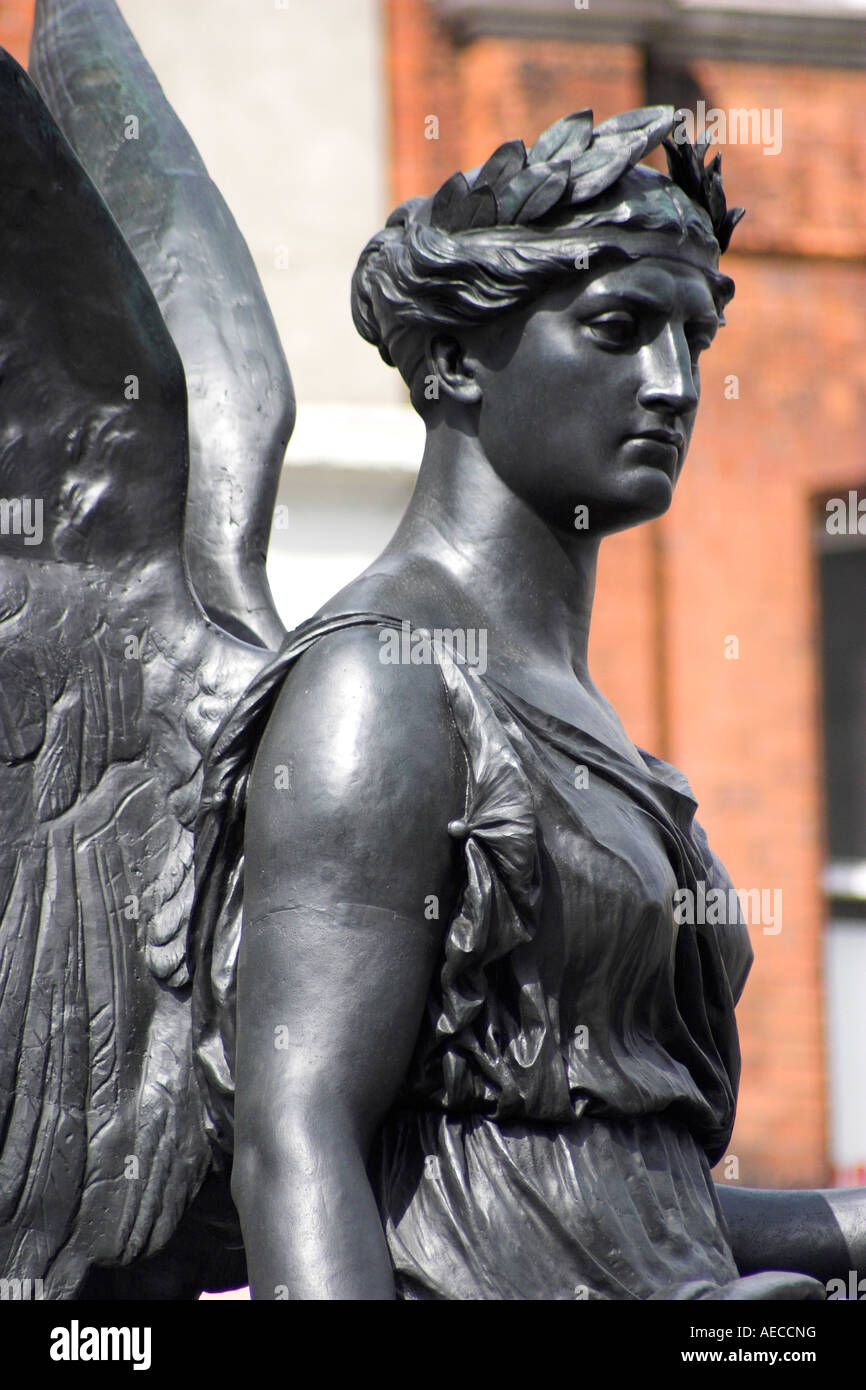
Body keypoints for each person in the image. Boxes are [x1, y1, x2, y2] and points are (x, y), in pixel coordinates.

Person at [190, 107, 859, 1299]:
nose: (672, 384)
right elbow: (297, 1148)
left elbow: (624, 1197)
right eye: (617, 328)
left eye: (693, 337)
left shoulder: (573, 709)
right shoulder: (383, 686)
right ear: (453, 361)